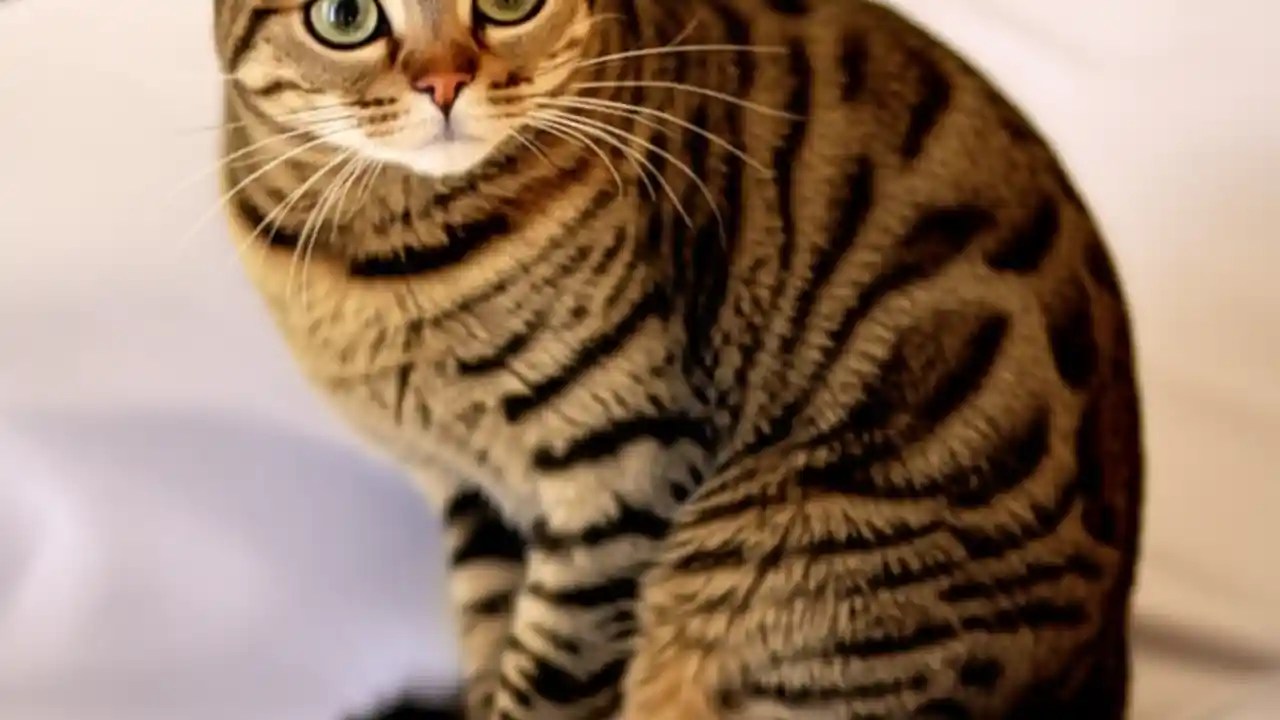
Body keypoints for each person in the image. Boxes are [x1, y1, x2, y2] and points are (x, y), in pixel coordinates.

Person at [1, 1, 1277, 717]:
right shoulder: (297, 185)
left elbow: (617, 509)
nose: (444, 75)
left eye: (506, 5)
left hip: (862, 593)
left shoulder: (610, 153)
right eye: (346, 14)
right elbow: (495, 487)